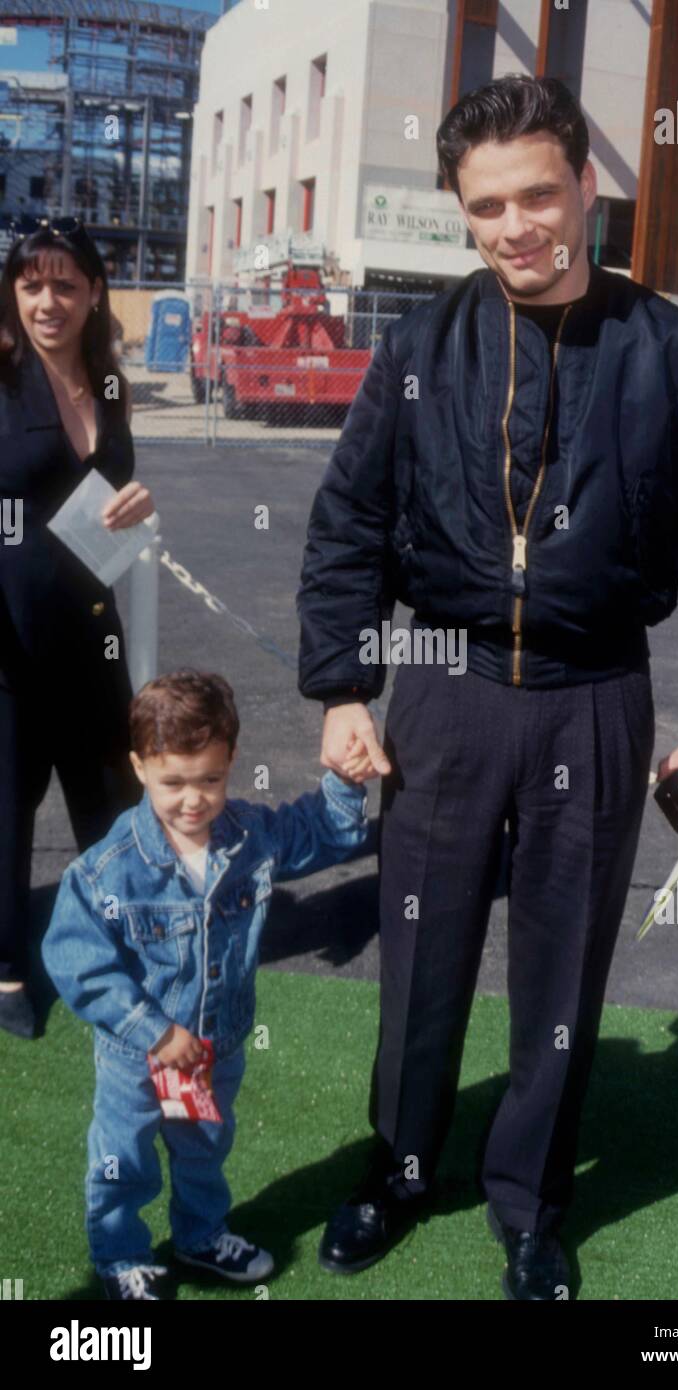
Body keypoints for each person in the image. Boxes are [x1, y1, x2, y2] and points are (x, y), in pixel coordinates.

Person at [296, 75, 678, 1301]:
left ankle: (529, 1202)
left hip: (595, 697)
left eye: (538, 194)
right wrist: (344, 688)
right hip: (444, 695)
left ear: (584, 189)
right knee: (421, 955)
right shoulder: (419, 348)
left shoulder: (676, 354)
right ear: (462, 213)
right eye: (487, 206)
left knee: (562, 966)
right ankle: (402, 1168)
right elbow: (346, 522)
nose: (517, 225)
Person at [41, 670, 368, 1300]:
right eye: (173, 782)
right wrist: (154, 1031)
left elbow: (325, 832)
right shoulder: (110, 868)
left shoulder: (249, 837)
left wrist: (347, 779)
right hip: (136, 1055)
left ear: (231, 762)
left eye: (210, 780)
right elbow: (74, 957)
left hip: (216, 1045)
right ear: (139, 768)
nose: (193, 799)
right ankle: (120, 1256)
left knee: (205, 1147)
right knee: (122, 1157)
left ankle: (200, 1234)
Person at [0, 215, 155, 1039]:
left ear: (95, 293)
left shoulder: (114, 387)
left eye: (65, 284)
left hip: (94, 626)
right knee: (8, 803)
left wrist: (139, 508)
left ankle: (113, 938)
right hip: (11, 635)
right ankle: (6, 967)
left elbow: (111, 499)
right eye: (32, 285)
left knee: (111, 795)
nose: (48, 301)